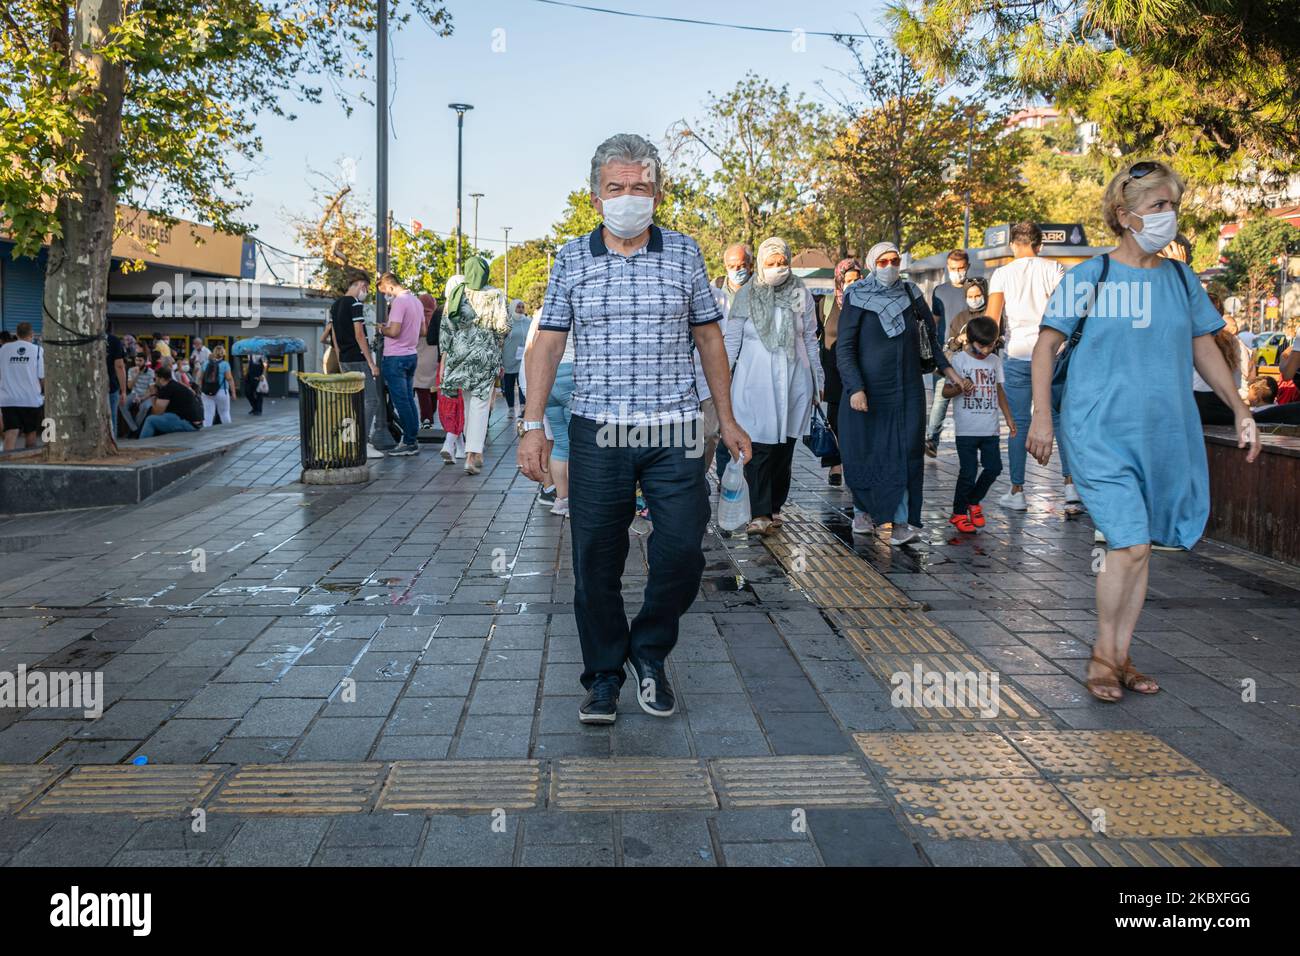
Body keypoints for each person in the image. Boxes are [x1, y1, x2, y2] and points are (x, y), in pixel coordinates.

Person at [518, 132, 751, 725]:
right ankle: (602, 677)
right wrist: (533, 423)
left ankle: (649, 654)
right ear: (596, 195)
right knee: (596, 559)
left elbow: (708, 337)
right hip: (598, 430)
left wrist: (726, 420)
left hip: (673, 429)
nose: (629, 197)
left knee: (680, 552)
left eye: (640, 187)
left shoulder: (684, 253)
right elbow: (548, 341)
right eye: (616, 187)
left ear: (657, 192)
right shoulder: (572, 258)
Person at [1027, 159, 1260, 703]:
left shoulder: (1181, 279)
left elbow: (1204, 346)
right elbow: (1044, 347)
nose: (1168, 216)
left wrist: (1241, 409)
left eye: (1173, 206)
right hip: (1097, 429)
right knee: (1128, 540)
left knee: (1141, 548)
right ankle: (1103, 659)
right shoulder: (1090, 275)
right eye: (1158, 207)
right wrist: (1041, 416)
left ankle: (1122, 653)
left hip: (1165, 433)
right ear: (1124, 215)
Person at [837, 242, 968, 544]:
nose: (889, 267)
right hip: (868, 393)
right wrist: (855, 388)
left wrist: (950, 372)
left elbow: (931, 341)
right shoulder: (856, 296)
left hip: (907, 390)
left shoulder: (911, 294)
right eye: (882, 262)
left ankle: (901, 523)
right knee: (869, 453)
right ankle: (863, 512)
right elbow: (845, 348)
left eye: (894, 260)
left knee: (906, 453)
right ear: (872, 264)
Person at [725, 236, 822, 535]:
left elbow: (809, 339)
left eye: (783, 263)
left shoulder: (800, 294)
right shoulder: (745, 297)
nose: (778, 268)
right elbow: (732, 341)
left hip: (794, 381)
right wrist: (720, 381)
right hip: (754, 382)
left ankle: (775, 507)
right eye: (771, 264)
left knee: (784, 449)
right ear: (761, 266)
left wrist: (818, 381)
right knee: (758, 447)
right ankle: (759, 512)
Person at [985, 222, 1078, 513]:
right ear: (1040, 245)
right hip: (1051, 354)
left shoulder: (1002, 274)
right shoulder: (1055, 269)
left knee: (1018, 424)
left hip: (1017, 355)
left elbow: (991, 319)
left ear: (1013, 244)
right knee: (1059, 419)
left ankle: (1017, 491)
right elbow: (1064, 312)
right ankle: (1070, 486)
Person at [943, 316, 1014, 533]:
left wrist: (1009, 418)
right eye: (982, 345)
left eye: (991, 344)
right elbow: (946, 391)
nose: (986, 349)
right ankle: (958, 514)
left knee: (994, 468)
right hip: (966, 428)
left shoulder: (995, 361)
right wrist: (960, 387)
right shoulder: (959, 361)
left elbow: (999, 391)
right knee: (969, 471)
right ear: (970, 341)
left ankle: (973, 502)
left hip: (990, 427)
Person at [441, 256, 509, 475]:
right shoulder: (495, 295)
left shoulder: (457, 292)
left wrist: (447, 356)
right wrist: (498, 347)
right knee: (480, 403)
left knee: (469, 400)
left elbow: (446, 327)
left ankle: (472, 450)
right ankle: (472, 454)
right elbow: (502, 327)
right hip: (485, 354)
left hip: (460, 355)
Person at [701, 242, 753, 484]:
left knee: (717, 431)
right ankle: (699, 479)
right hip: (706, 374)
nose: (737, 270)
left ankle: (724, 476)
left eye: (742, 265)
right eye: (732, 266)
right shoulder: (715, 289)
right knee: (704, 432)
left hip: (743, 371)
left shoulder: (755, 291)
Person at [331, 272, 387, 457]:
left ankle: (350, 441)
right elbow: (359, 334)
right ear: (361, 285)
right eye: (367, 288)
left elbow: (334, 337)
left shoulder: (335, 305)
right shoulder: (355, 304)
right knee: (371, 400)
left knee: (352, 402)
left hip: (345, 360)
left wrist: (340, 360)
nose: (366, 292)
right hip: (358, 358)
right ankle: (363, 443)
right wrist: (371, 363)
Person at [925, 249, 973, 457]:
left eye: (961, 268)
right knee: (940, 399)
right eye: (953, 269)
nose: (957, 272)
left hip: (972, 354)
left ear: (968, 267)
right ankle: (932, 440)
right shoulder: (939, 291)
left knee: (971, 401)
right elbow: (934, 321)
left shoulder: (975, 290)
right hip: (945, 354)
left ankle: (972, 446)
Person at [819, 258, 861, 487]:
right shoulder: (826, 304)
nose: (853, 284)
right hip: (832, 372)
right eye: (848, 280)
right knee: (834, 419)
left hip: (856, 369)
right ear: (839, 280)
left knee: (857, 418)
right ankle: (836, 465)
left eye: (857, 279)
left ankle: (855, 462)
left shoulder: (866, 302)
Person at [376, 272, 424, 456]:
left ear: (389, 286)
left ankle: (410, 441)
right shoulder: (416, 301)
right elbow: (423, 330)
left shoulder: (399, 302)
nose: (385, 295)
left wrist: (382, 328)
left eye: (383, 291)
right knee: (409, 400)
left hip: (395, 357)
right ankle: (412, 436)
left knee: (401, 401)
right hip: (411, 354)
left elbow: (394, 331)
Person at [0, 322, 45, 451]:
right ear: (31, 335)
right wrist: (43, 392)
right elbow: (42, 376)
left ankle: (7, 467)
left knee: (11, 434)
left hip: (9, 400)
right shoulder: (37, 350)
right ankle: (29, 466)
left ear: (17, 334)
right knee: (30, 435)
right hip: (30, 400)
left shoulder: (3, 349)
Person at [139, 363, 204, 437]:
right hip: (195, 423)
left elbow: (157, 412)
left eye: (155, 378)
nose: (154, 381)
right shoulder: (174, 385)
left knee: (150, 420)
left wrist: (153, 395)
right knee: (165, 416)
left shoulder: (167, 389)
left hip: (189, 424)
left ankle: (141, 445)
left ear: (162, 379)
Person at [414, 293, 441, 430]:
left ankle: (426, 418)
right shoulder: (437, 316)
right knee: (433, 389)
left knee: (421, 390)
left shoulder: (416, 316)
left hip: (419, 357)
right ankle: (431, 414)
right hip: (434, 357)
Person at [501, 299, 531, 418]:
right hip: (509, 357)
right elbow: (501, 340)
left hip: (523, 357)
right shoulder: (507, 322)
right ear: (513, 307)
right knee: (509, 384)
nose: (520, 309)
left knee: (522, 383)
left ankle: (523, 407)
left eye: (522, 307)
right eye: (518, 307)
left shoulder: (528, 321)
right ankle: (511, 408)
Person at [199, 343, 237, 427]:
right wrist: (233, 393)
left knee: (208, 413)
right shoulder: (225, 364)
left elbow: (200, 378)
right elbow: (229, 379)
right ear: (223, 354)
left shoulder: (205, 363)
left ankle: (206, 432)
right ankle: (228, 431)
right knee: (224, 413)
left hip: (206, 391)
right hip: (221, 391)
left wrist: (201, 390)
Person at [106, 329, 127, 440]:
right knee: (111, 418)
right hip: (110, 386)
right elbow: (119, 366)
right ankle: (111, 441)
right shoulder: (113, 340)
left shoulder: (83, 337)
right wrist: (123, 391)